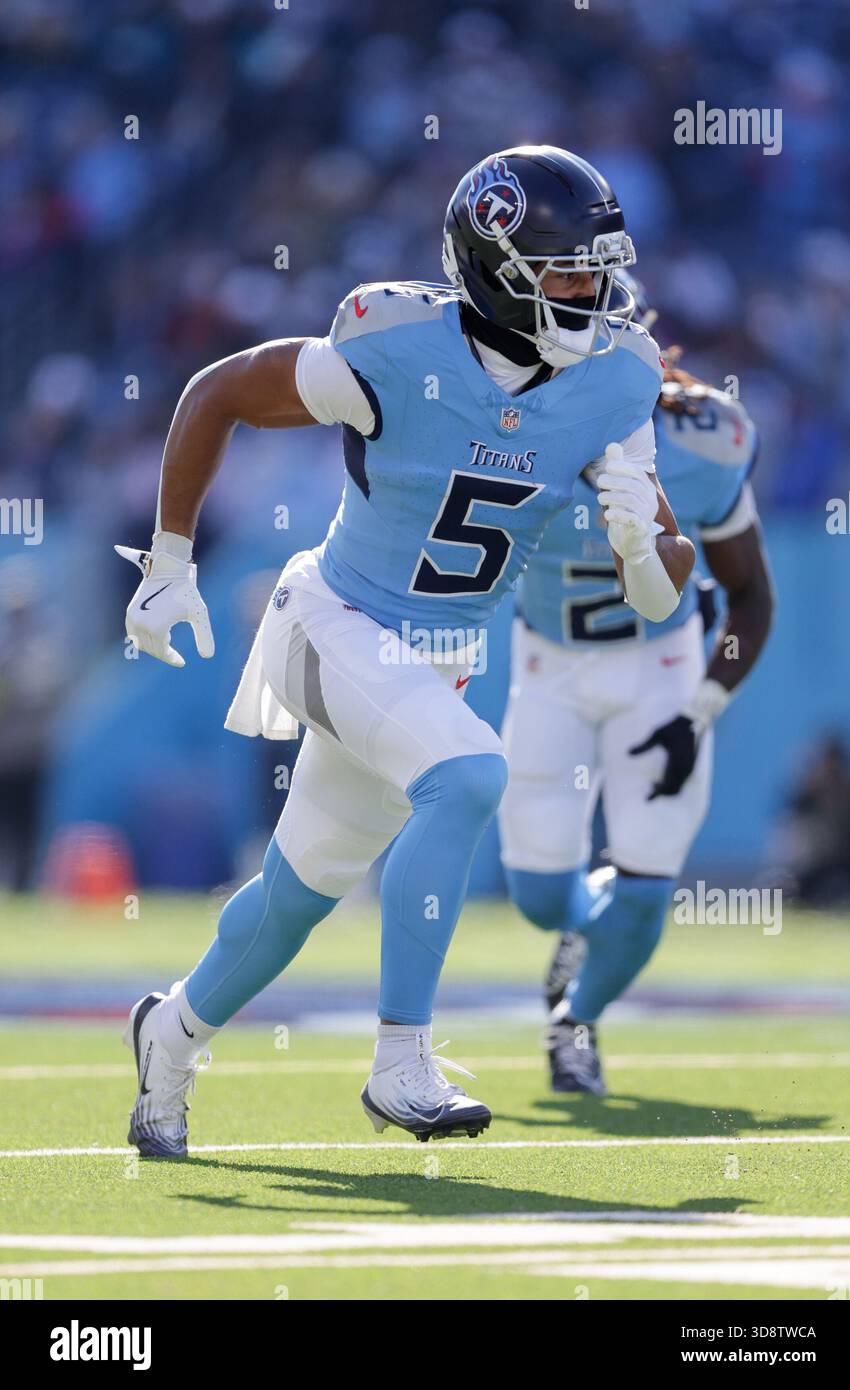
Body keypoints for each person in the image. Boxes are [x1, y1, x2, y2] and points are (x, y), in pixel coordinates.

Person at [117, 146, 693, 1156]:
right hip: (328, 623)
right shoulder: (396, 347)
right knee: (470, 772)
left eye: (596, 269)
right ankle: (401, 1061)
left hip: (430, 663)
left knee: (293, 899)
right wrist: (169, 559)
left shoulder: (611, 383)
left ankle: (168, 1034)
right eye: (562, 270)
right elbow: (217, 392)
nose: (588, 292)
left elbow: (657, 592)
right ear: (491, 267)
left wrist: (639, 539)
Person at [498, 271, 774, 1096]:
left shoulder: (701, 442)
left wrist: (700, 711)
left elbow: (751, 598)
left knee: (650, 884)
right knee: (541, 894)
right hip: (547, 664)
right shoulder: (504, 422)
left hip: (660, 667)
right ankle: (586, 928)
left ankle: (574, 1023)